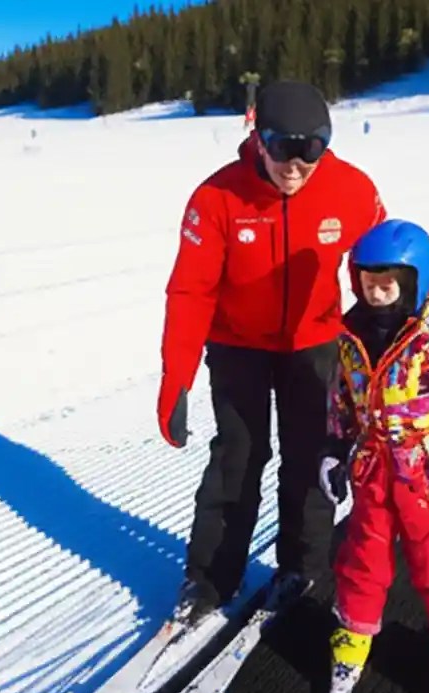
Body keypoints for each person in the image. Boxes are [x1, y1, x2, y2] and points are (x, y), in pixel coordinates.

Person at [157, 80, 387, 623]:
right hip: (238, 345)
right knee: (238, 456)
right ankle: (210, 579)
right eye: (282, 146)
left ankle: (301, 568)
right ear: (258, 138)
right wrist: (176, 378)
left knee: (311, 458)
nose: (295, 164)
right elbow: (190, 292)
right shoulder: (216, 198)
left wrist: (390, 336)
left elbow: (381, 265)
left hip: (315, 343)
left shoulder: (350, 189)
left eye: (311, 149)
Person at [314, 219, 429, 693]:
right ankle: (349, 648)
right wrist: (334, 445)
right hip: (373, 472)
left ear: (413, 283)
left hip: (426, 475)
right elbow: (343, 398)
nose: (376, 295)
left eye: (388, 285)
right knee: (362, 559)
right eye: (367, 284)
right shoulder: (352, 341)